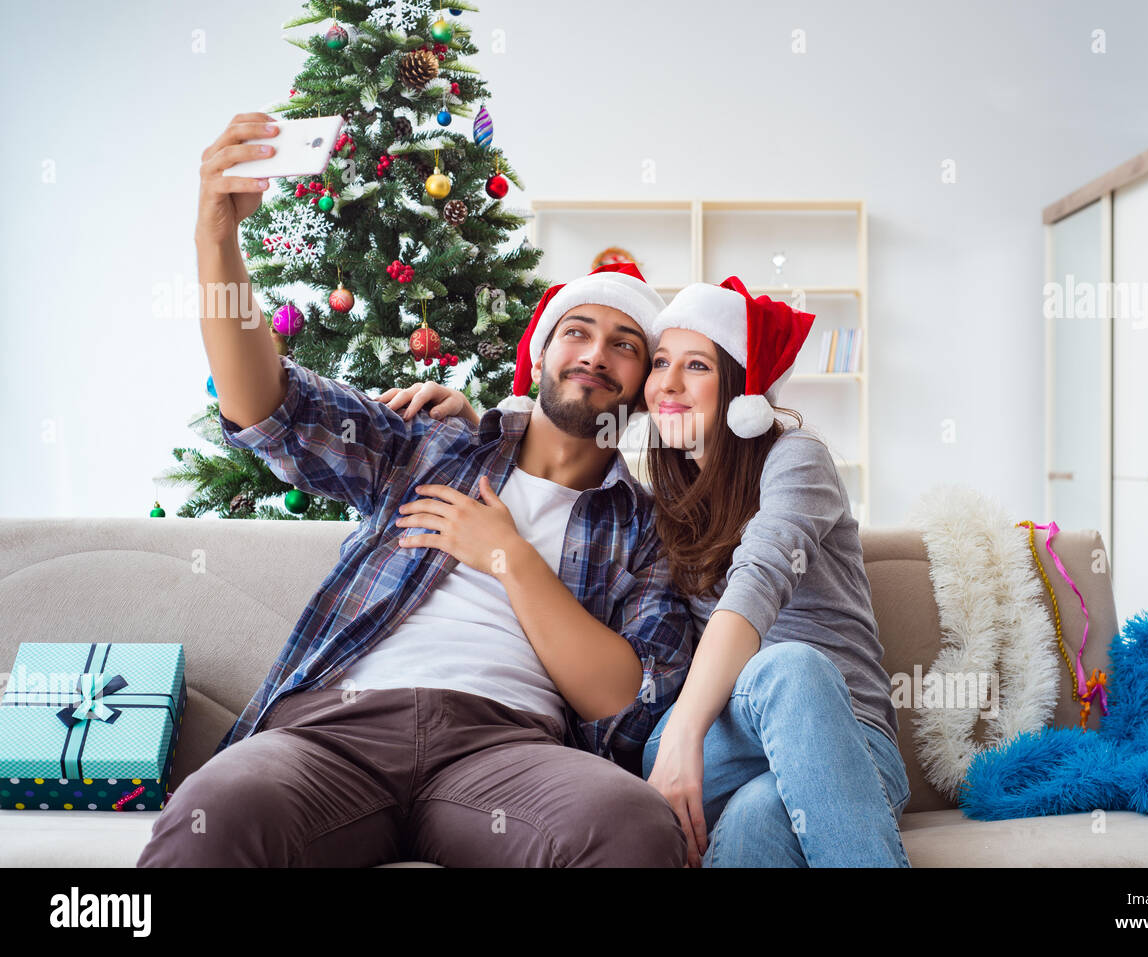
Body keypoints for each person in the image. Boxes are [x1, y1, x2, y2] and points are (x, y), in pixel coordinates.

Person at [139, 111, 694, 868]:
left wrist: (510, 559)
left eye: (625, 344)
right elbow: (266, 407)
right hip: (332, 733)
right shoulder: (430, 443)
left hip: (505, 751)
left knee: (630, 823)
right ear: (536, 358)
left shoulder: (645, 527)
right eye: (578, 331)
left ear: (642, 382)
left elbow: (624, 700)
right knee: (216, 811)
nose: (596, 354)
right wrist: (216, 237)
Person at [396, 277, 910, 868]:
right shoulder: (660, 495)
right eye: (660, 363)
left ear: (739, 391)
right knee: (768, 707)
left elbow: (758, 585)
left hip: (840, 738)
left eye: (696, 366)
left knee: (758, 803)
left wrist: (685, 734)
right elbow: (554, 459)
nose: (668, 383)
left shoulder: (794, 456)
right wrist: (471, 422)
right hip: (720, 736)